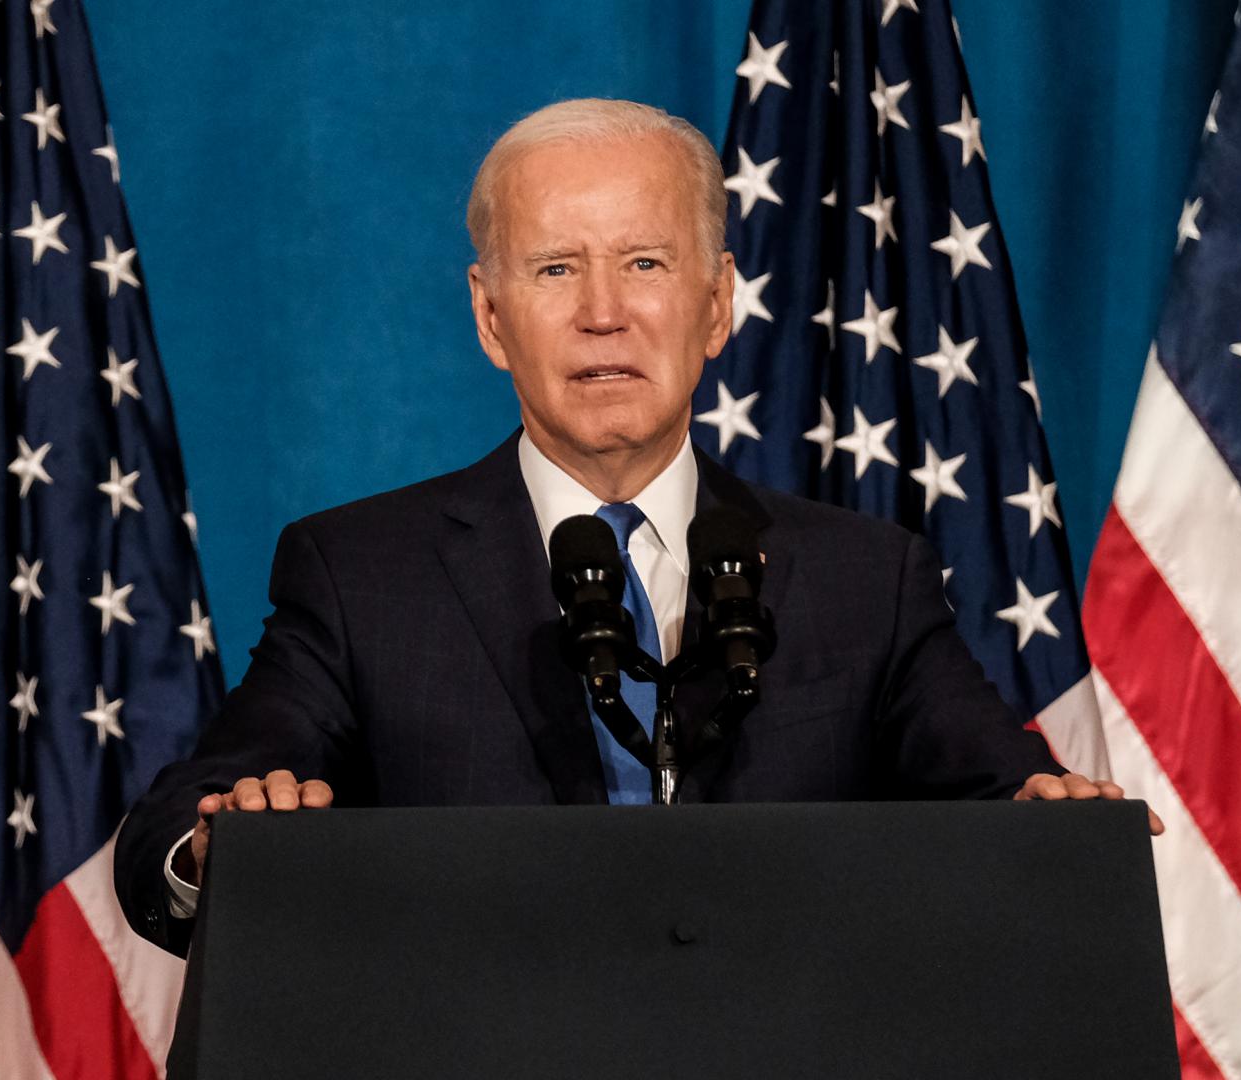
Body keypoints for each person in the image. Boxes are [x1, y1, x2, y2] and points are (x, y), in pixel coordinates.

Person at [115, 98, 1158, 957]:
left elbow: (1000, 791)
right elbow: (183, 819)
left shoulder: (863, 579)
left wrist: (1055, 827)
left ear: (717, 305)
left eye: (647, 264)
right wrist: (220, 844)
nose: (603, 312)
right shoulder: (362, 575)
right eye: (555, 269)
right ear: (490, 317)